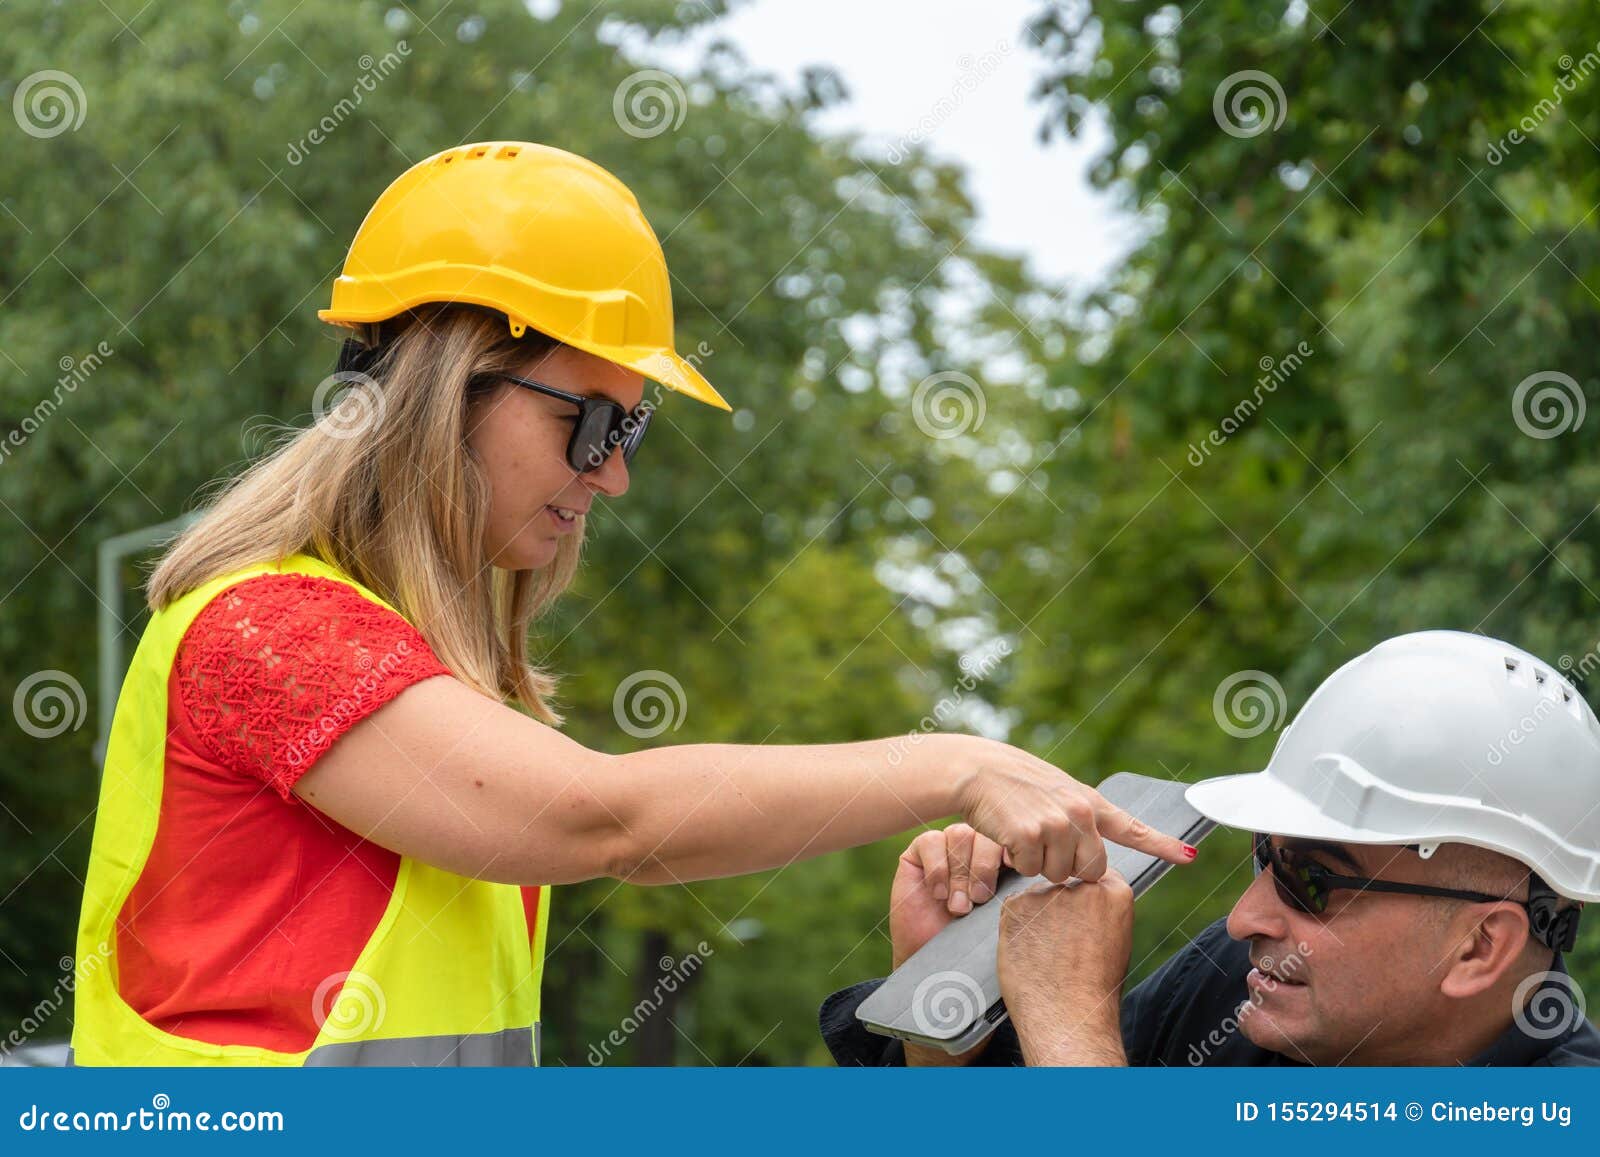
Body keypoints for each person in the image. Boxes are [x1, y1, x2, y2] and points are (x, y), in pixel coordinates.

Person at [69, 141, 1194, 1067]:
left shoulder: (417, 669)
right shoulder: (273, 629)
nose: (613, 474)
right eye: (596, 421)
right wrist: (951, 761)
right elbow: (605, 821)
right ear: (447, 382)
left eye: (633, 428)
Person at [821, 630, 1600, 1067]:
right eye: (1267, 855)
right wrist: (944, 1018)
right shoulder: (1248, 991)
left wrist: (1071, 1036)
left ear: (1479, 945)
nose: (1243, 917)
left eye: (1313, 881)